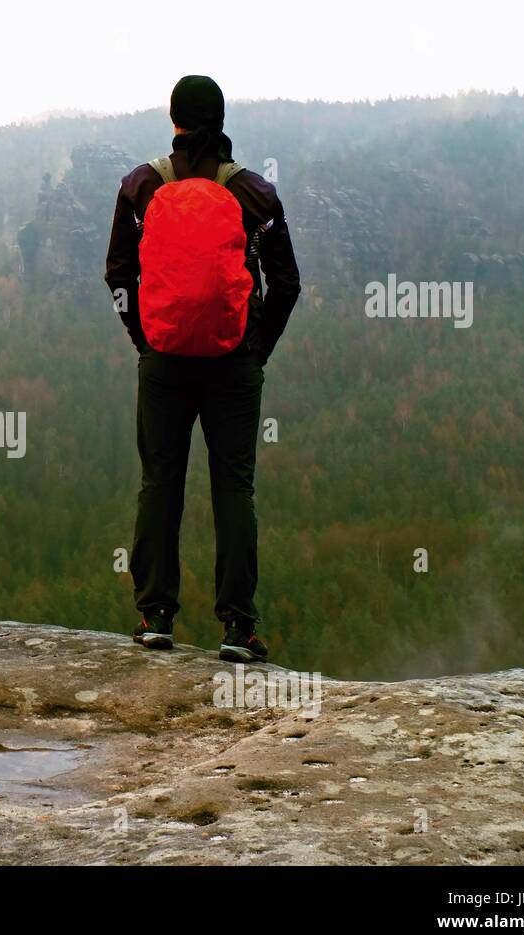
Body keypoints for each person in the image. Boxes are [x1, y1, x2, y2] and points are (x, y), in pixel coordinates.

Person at [104, 75, 300, 661]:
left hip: (163, 360)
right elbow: (287, 283)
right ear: (220, 120)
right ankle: (238, 628)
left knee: (159, 481)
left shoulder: (140, 186)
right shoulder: (255, 194)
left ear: (173, 121)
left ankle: (156, 615)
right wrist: (254, 348)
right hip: (233, 363)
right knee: (233, 487)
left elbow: (118, 274)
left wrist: (145, 337)